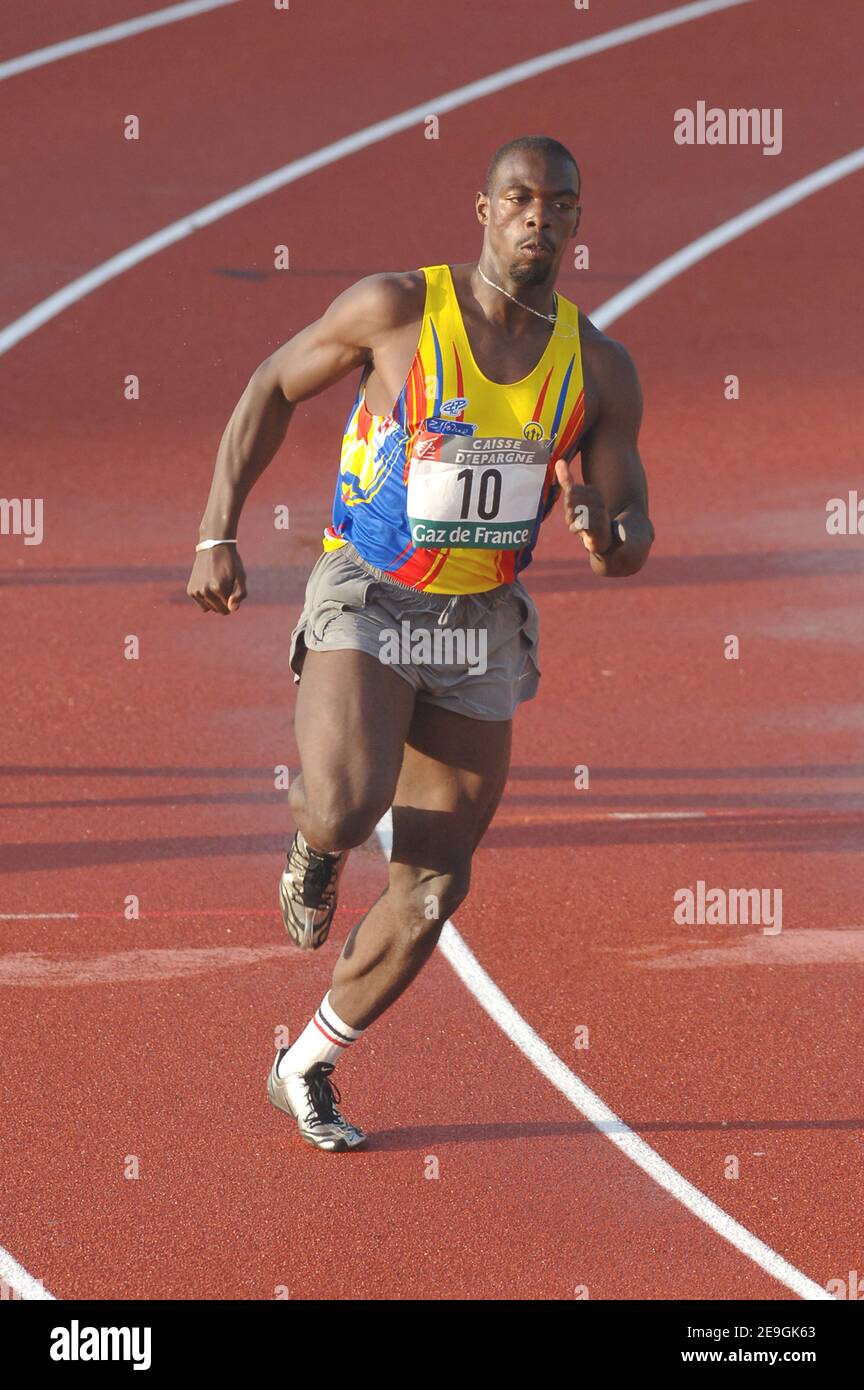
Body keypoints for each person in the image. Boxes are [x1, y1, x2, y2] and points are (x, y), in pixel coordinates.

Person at [187, 134, 654, 1152]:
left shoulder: (597, 366)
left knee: (437, 885)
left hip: (482, 618)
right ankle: (312, 847)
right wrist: (218, 530)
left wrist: (609, 537)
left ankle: (304, 1061)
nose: (539, 216)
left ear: (576, 222)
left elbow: (630, 529)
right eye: (518, 198)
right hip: (369, 591)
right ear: (482, 212)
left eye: (558, 203)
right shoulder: (396, 309)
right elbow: (272, 383)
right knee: (349, 804)